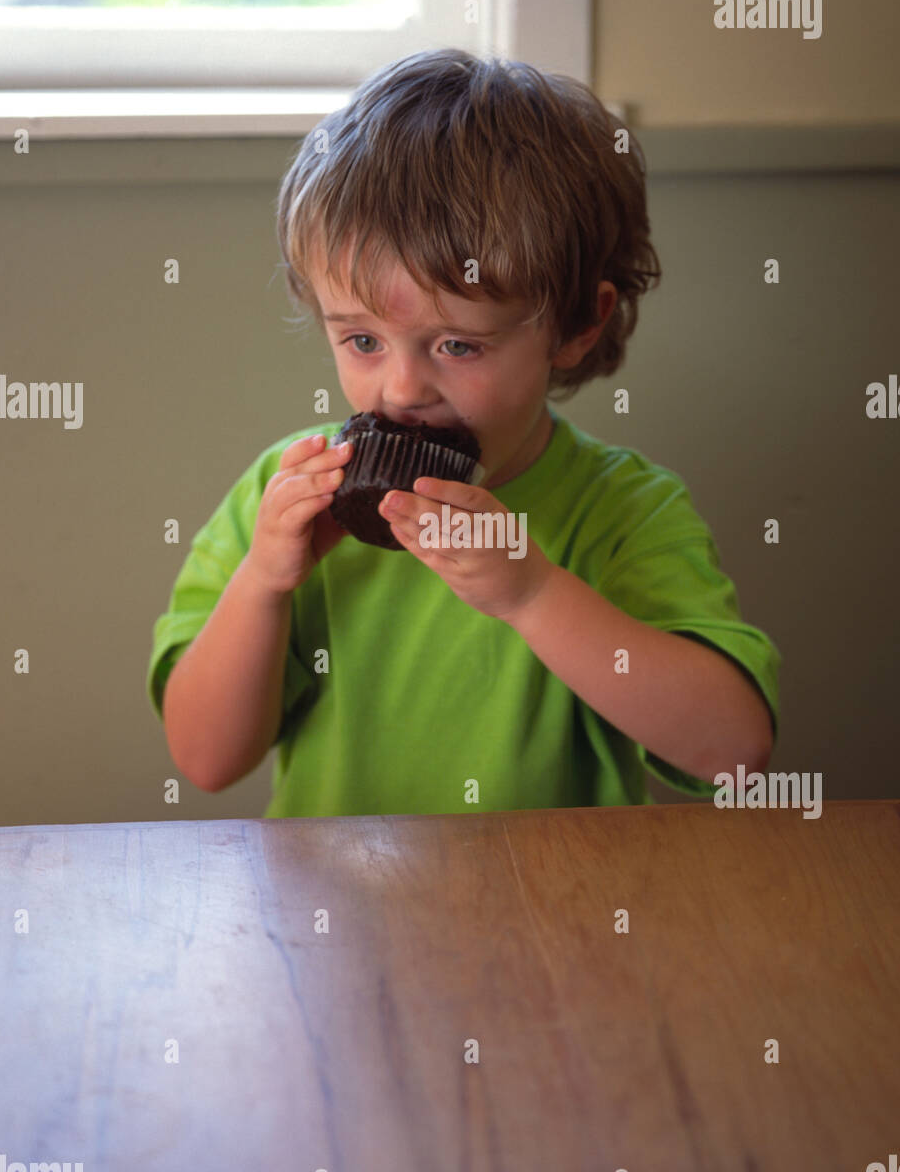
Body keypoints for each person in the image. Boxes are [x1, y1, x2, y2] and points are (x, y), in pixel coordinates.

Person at [146, 48, 780, 816]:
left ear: (580, 325)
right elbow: (206, 757)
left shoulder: (624, 511)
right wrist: (264, 582)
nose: (403, 388)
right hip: (334, 919)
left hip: (564, 913)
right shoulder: (283, 497)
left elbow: (735, 754)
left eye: (458, 345)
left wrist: (533, 594)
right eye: (362, 341)